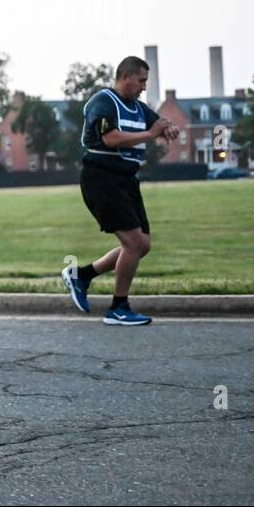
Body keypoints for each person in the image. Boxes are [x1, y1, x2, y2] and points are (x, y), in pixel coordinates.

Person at [61, 56, 177, 325]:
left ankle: (82, 275)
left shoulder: (138, 108)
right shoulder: (103, 102)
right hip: (101, 179)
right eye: (141, 80)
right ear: (125, 77)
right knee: (133, 243)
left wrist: (167, 128)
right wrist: (151, 135)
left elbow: (157, 122)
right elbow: (110, 138)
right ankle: (118, 308)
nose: (144, 87)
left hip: (126, 180)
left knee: (142, 245)